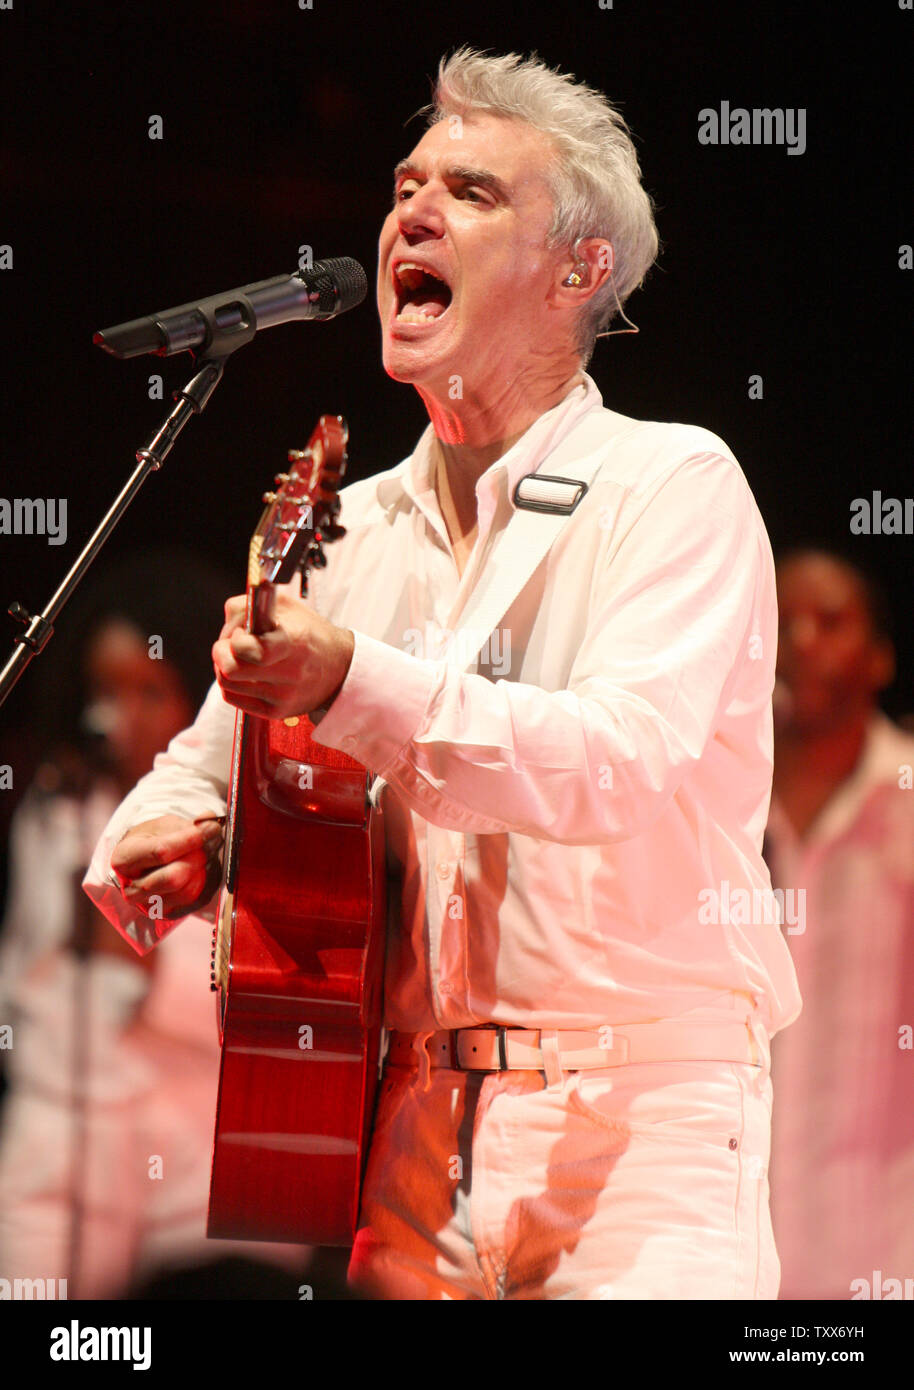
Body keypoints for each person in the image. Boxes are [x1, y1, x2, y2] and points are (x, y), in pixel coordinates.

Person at [84, 48, 801, 1300]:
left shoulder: (672, 483)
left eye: (470, 193)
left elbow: (614, 761)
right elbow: (197, 766)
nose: (410, 212)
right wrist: (173, 833)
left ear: (579, 271)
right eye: (405, 183)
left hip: (641, 1131)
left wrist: (351, 677)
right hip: (408, 1131)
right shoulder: (341, 528)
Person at [0, 553, 305, 1298]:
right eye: (105, 691)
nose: (119, 716)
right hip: (66, 1132)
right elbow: (21, 980)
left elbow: (260, 1002)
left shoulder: (249, 819)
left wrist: (143, 965)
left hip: (193, 1136)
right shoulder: (61, 808)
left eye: (149, 690)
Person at [766, 548, 914, 1300]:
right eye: (783, 623)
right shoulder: (712, 809)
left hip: (886, 1248)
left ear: (882, 656)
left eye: (831, 622)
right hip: (730, 1249)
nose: (803, 643)